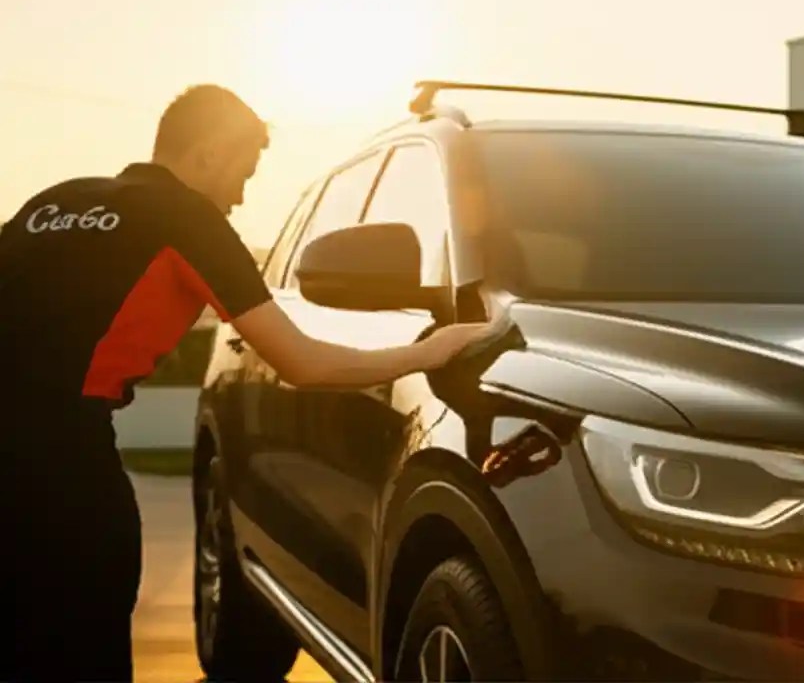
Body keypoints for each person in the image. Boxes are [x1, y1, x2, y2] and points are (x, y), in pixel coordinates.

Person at [0, 85, 498, 682]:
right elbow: (304, 364)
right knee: (80, 645)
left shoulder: (51, 203)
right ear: (208, 154)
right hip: (59, 475)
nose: (240, 195)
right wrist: (425, 352)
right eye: (244, 172)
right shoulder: (189, 220)